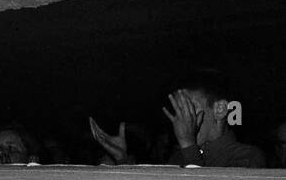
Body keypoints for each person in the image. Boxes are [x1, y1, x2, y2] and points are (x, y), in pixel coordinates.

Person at [91, 71, 266, 168]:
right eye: (177, 111)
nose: (179, 120)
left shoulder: (248, 157)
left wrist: (189, 145)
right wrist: (122, 159)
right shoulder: (178, 157)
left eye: (188, 108)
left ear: (220, 110)